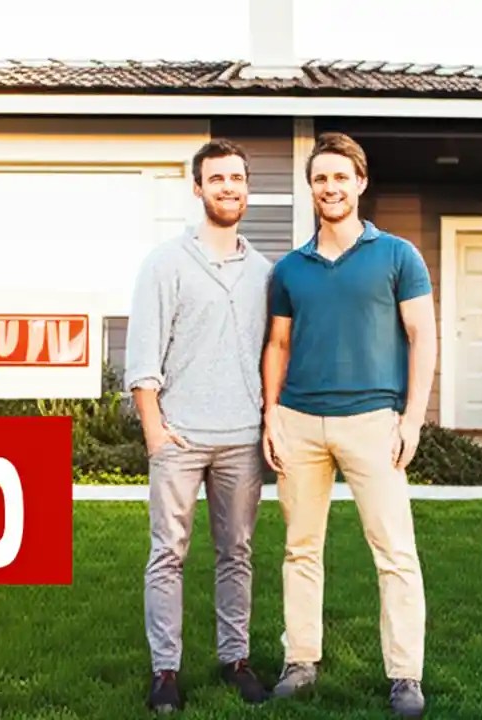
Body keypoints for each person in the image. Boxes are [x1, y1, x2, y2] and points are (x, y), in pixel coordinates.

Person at [262, 131, 437, 718]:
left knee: (394, 552)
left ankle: (405, 675)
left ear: (360, 183)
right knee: (300, 549)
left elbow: (423, 337)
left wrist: (412, 419)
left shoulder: (398, 256)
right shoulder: (290, 268)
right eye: (320, 179)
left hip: (372, 424)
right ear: (310, 188)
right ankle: (301, 660)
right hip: (299, 422)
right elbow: (278, 344)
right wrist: (271, 415)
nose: (330, 188)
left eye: (340, 177)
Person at [125, 138, 273, 713]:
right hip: (180, 437)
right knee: (168, 554)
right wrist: (154, 431)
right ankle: (166, 671)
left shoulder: (263, 272)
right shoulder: (165, 263)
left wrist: (266, 422)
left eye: (237, 178)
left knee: (237, 553)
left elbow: (270, 353)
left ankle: (234, 659)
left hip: (241, 437)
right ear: (197, 188)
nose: (229, 187)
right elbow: (143, 354)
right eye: (217, 179)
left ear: (247, 188)